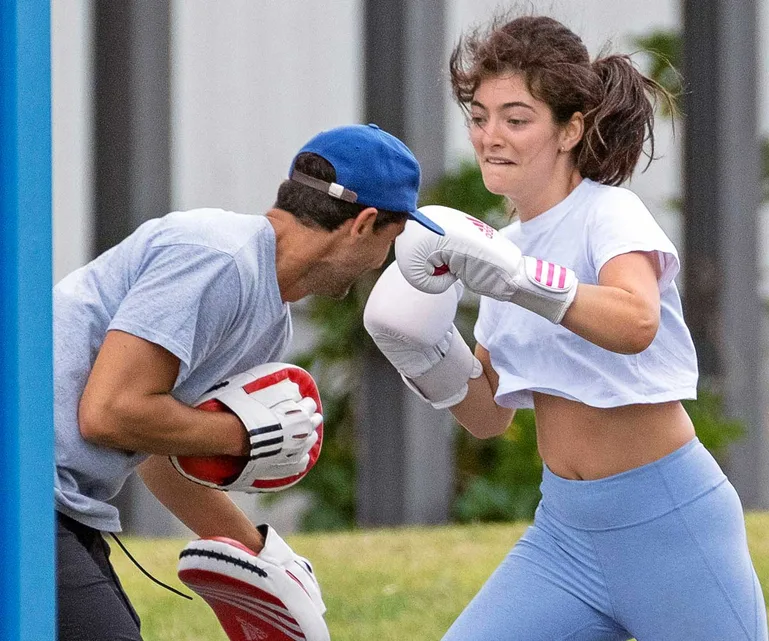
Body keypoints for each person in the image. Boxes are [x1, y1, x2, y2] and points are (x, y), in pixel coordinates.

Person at [364, 15, 768, 641]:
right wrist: (420, 352)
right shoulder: (503, 250)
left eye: (516, 118)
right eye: (479, 116)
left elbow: (636, 321)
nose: (491, 136)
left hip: (669, 524)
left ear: (569, 129)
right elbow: (489, 416)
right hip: (566, 536)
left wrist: (519, 277)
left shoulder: (605, 213)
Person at [54, 122, 443, 641]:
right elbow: (109, 413)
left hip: (53, 500)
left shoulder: (266, 316)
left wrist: (267, 556)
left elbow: (156, 454)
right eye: (390, 241)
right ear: (364, 223)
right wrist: (243, 435)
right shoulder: (218, 256)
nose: (382, 262)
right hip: (26, 490)